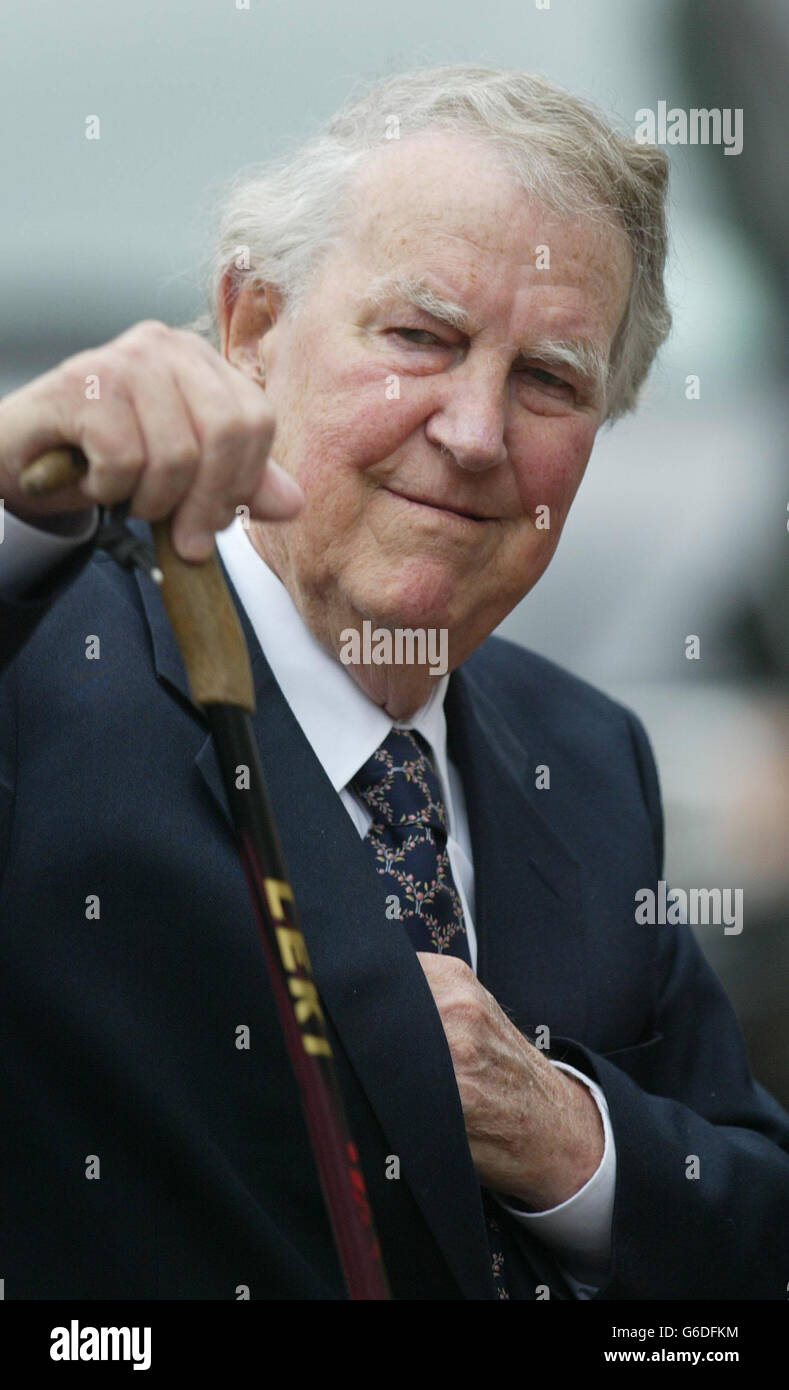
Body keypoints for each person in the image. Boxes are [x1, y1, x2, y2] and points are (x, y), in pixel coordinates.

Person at [1, 64, 787, 1301]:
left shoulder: (584, 756)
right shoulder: (44, 663)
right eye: (420, 337)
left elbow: (754, 1222)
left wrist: (567, 1135)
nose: (474, 433)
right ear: (252, 328)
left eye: (550, 381)